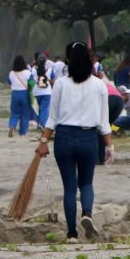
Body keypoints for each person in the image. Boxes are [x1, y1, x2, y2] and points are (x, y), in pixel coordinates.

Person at [36, 42, 114, 242]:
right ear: (90, 61)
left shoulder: (61, 83)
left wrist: (44, 140)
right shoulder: (99, 85)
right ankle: (86, 213)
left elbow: (52, 118)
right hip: (88, 138)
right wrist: (110, 146)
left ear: (69, 61)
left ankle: (71, 233)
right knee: (86, 183)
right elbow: (104, 122)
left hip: (64, 139)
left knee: (69, 188)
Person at [7, 55, 31, 137]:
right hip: (25, 94)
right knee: (25, 114)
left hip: (15, 94)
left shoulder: (11, 73)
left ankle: (12, 125)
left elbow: (9, 83)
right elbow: (32, 84)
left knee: (15, 113)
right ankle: (22, 133)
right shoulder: (28, 73)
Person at [32, 54, 54, 132]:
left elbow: (31, 80)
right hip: (47, 92)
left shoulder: (33, 69)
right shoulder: (50, 69)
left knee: (37, 109)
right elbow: (53, 81)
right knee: (44, 109)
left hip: (36, 92)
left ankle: (38, 125)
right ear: (45, 61)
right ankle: (42, 124)